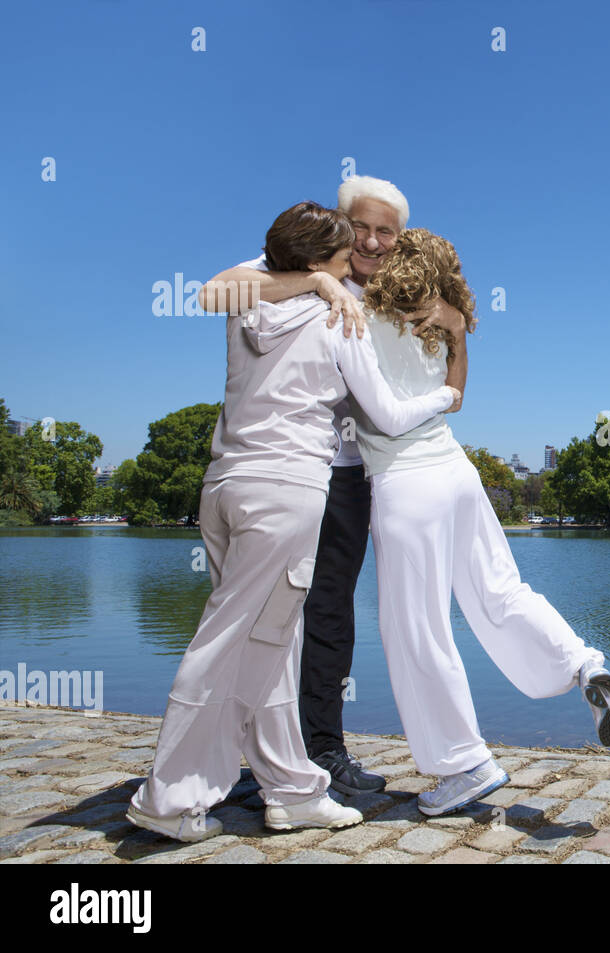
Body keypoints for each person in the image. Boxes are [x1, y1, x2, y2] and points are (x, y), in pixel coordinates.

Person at [128, 203, 461, 841]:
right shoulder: (339, 314)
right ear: (316, 264)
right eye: (342, 260)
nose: (352, 266)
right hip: (285, 492)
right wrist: (448, 393)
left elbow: (217, 287)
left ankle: (292, 788)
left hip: (225, 486)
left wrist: (312, 277)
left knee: (270, 646)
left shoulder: (252, 299)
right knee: (227, 644)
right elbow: (388, 415)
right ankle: (168, 796)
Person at [199, 176, 467, 796]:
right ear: (341, 230)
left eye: (386, 231)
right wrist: (318, 281)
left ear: (399, 241)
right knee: (259, 616)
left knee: (327, 616)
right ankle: (256, 751)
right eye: (361, 228)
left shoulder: (403, 295)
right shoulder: (290, 270)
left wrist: (454, 327)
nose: (371, 241)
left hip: (348, 476)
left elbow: (437, 373)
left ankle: (321, 748)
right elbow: (215, 293)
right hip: (274, 471)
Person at [355, 228, 610, 815]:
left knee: (417, 629)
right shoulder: (443, 322)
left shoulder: (358, 311)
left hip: (406, 482)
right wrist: (458, 335)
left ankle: (464, 766)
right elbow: (456, 396)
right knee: (502, 593)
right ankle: (583, 664)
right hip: (458, 472)